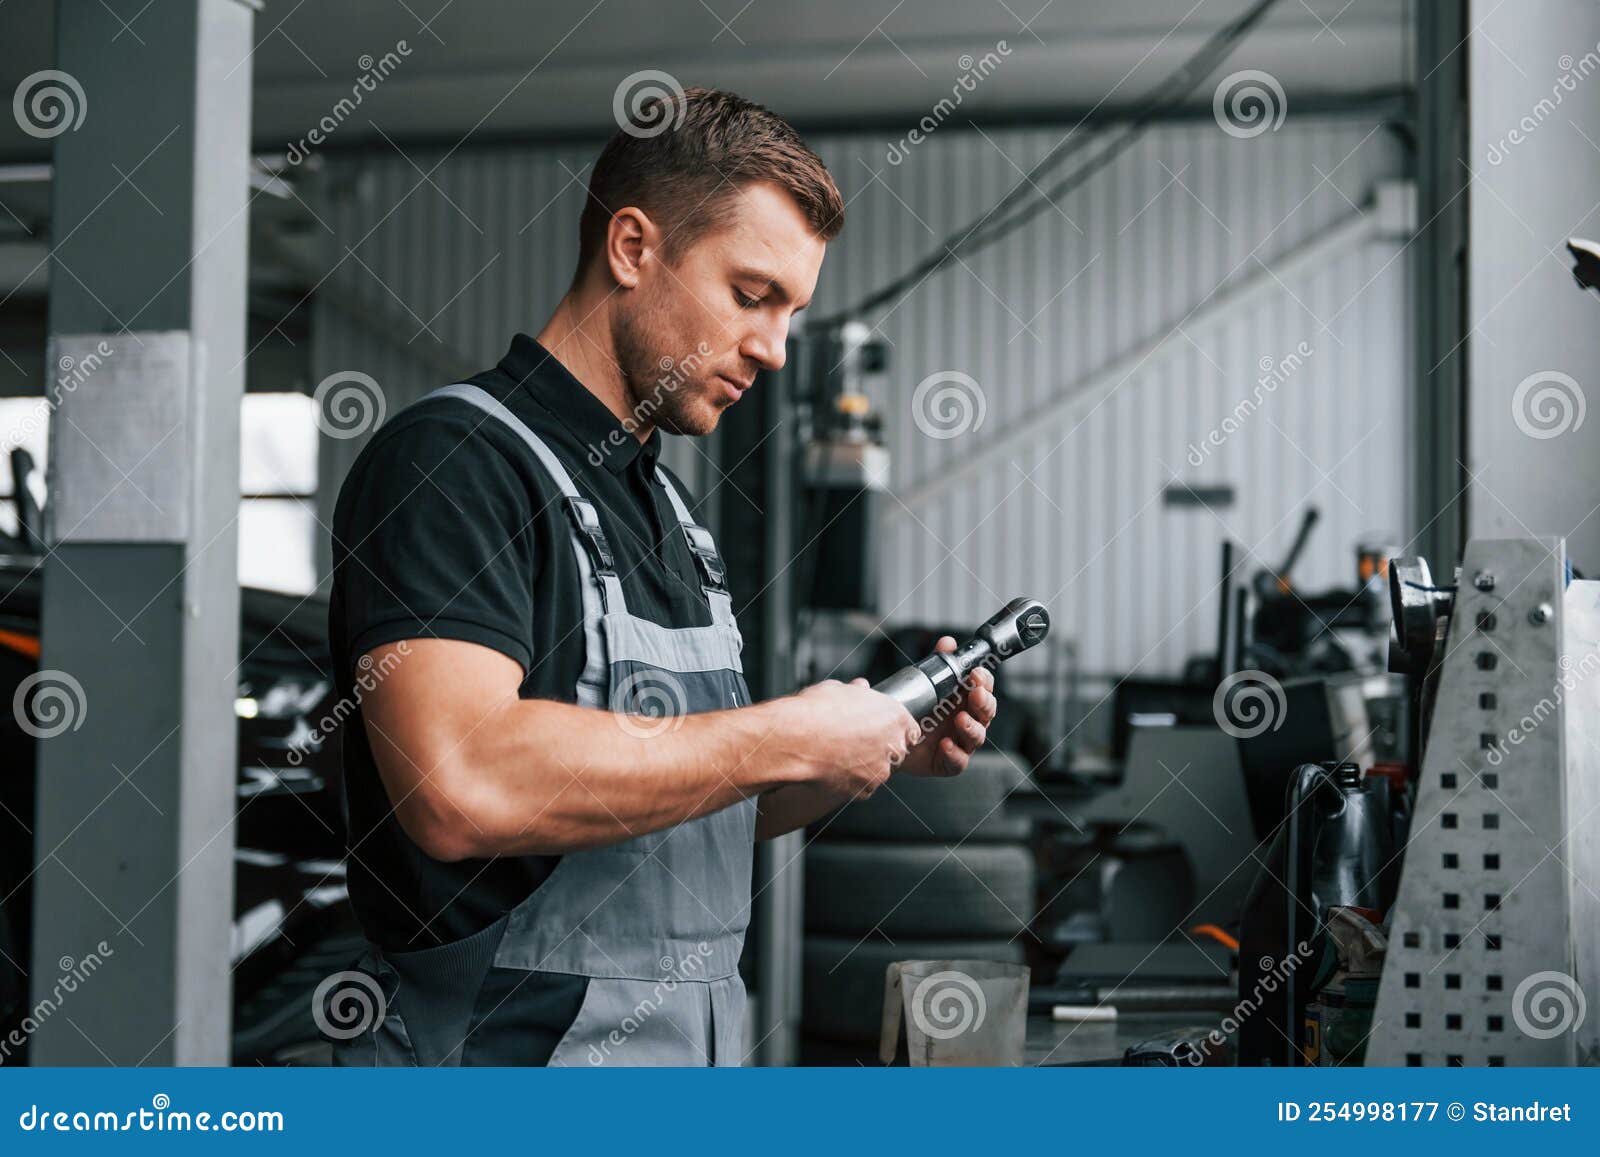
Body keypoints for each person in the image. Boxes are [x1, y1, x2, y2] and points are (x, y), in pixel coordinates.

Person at [326, 86, 998, 1066]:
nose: (772, 348)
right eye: (750, 294)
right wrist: (785, 729)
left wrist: (860, 745)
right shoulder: (455, 462)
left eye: (791, 311)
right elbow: (457, 782)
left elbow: (689, 806)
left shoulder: (669, 512)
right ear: (633, 248)